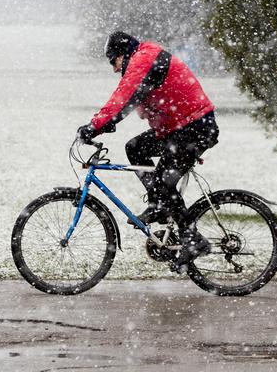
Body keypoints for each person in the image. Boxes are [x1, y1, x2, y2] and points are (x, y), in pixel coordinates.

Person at [76, 31, 219, 270]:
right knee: (135, 147)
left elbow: (123, 98)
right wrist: (107, 123)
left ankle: (192, 239)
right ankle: (159, 206)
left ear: (123, 53)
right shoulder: (142, 60)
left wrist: (95, 126)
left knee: (163, 183)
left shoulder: (143, 59)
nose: (113, 68)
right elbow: (131, 102)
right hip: (178, 129)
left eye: (113, 61)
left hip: (194, 127)